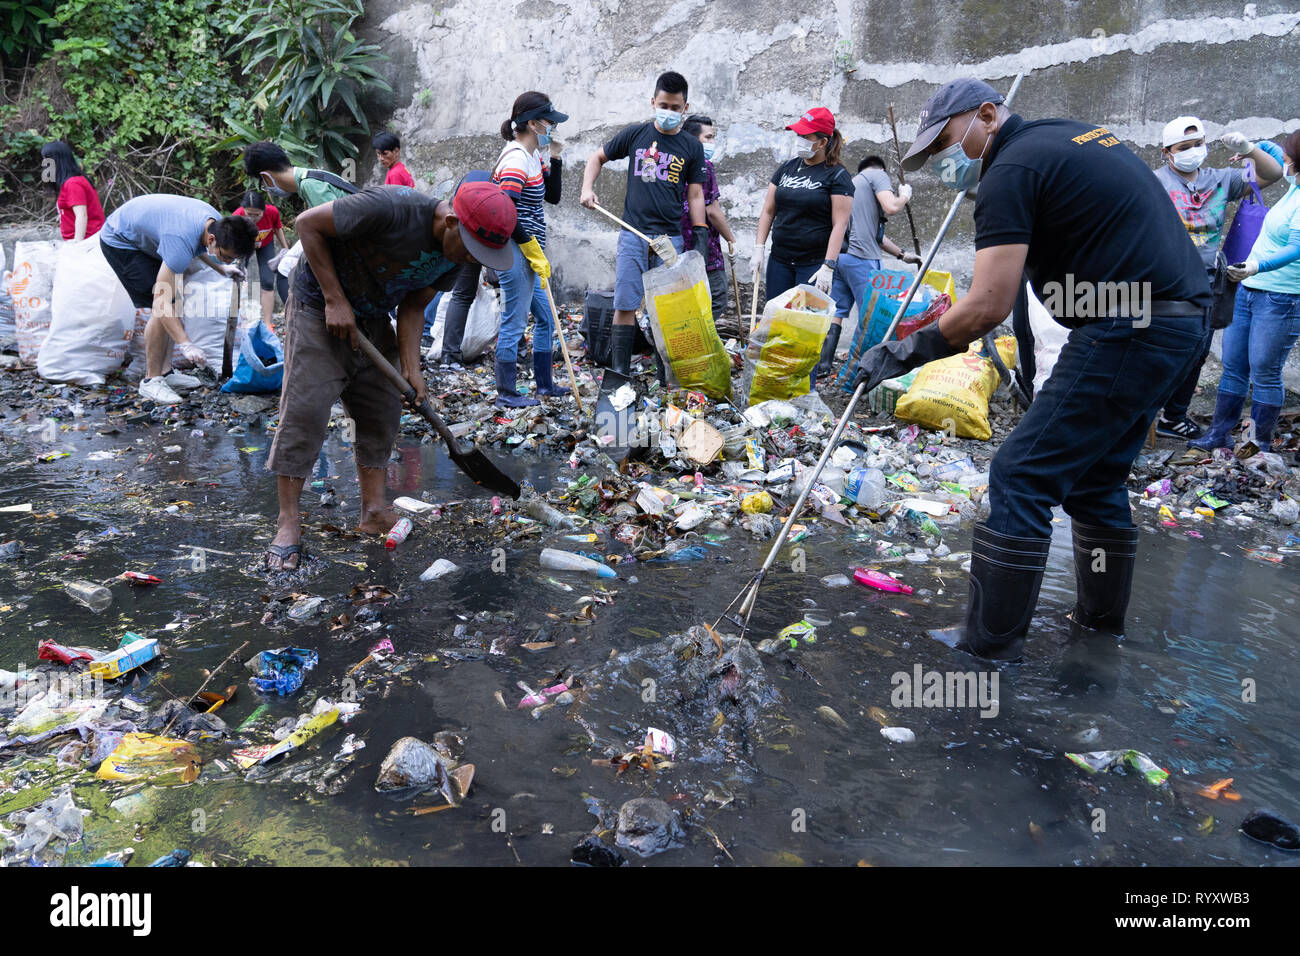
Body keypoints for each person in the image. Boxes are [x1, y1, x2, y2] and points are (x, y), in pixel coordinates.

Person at [852, 78, 1211, 660]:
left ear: (988, 116)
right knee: (1095, 481)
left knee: (1021, 477)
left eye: (948, 144)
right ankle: (1097, 633)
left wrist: (901, 352)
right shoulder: (1062, 139)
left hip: (1130, 328)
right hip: (1176, 321)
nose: (948, 162)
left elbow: (987, 304)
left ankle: (989, 648)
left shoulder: (1012, 168)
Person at [263, 181, 517, 570]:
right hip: (319, 303)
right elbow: (307, 224)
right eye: (469, 248)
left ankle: (373, 510)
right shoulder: (390, 208)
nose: (470, 259)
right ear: (450, 221)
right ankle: (289, 522)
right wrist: (334, 299)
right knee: (306, 409)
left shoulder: (457, 256)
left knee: (381, 406)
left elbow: (415, 306)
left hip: (373, 313)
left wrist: (412, 370)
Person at [1151, 116, 1283, 439]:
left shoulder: (1221, 179)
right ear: (1168, 153)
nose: (1194, 151)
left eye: (1198, 144)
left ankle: (1174, 418)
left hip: (1210, 282)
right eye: (1184, 147)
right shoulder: (1153, 181)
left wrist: (1248, 149)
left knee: (1197, 355)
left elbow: (1273, 174)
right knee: (1161, 353)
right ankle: (1142, 416)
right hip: (1167, 284)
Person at [580, 70, 708, 376]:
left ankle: (667, 374)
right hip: (632, 236)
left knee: (667, 309)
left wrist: (700, 232)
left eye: (675, 108)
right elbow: (596, 158)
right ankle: (620, 373)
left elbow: (695, 194)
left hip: (670, 240)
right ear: (653, 102)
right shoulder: (636, 134)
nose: (669, 112)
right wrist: (587, 188)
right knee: (625, 303)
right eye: (664, 105)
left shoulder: (692, 147)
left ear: (685, 108)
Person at [1191, 128, 1300, 457]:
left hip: (1281, 298)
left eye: (1289, 155)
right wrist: (1250, 148)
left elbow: (1297, 248)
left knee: (1265, 371)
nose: (1285, 159)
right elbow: (1273, 156)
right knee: (1234, 366)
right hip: (1249, 290)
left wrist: (1257, 267)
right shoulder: (1295, 185)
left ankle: (1259, 444)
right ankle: (1219, 435)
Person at [99, 195, 256, 404]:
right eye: (226, 256)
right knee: (163, 307)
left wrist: (221, 268)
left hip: (151, 233)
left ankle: (165, 373)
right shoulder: (180, 242)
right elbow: (160, 303)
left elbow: (197, 245)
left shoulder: (217, 224)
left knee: (173, 300)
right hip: (121, 240)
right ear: (213, 240)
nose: (228, 260)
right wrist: (186, 344)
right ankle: (151, 380)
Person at [488, 91, 569, 407]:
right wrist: (530, 248)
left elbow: (552, 197)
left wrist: (557, 158)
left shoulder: (532, 155)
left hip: (530, 250)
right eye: (549, 122)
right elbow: (505, 212)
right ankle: (506, 394)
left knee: (546, 318)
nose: (553, 127)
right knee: (515, 320)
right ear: (533, 124)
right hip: (515, 251)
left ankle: (545, 386)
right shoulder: (516, 160)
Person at [818, 155, 923, 379]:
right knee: (873, 317)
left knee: (837, 312)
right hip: (862, 259)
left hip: (840, 259)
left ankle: (823, 367)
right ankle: (861, 372)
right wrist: (903, 195)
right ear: (879, 170)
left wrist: (902, 255)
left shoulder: (850, 185)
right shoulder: (878, 174)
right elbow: (891, 206)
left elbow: (876, 236)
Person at [752, 107, 854, 317]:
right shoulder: (787, 168)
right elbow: (768, 211)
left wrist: (828, 266)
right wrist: (759, 248)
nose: (799, 139)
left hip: (812, 266)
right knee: (776, 320)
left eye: (805, 136)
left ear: (823, 142)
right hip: (780, 261)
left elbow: (840, 224)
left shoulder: (837, 176)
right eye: (798, 135)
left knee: (802, 325)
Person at [679, 114, 738, 335]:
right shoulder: (704, 166)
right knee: (716, 297)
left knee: (684, 302)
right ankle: (692, 341)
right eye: (709, 137)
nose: (712, 143)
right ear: (694, 140)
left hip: (677, 246)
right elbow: (712, 210)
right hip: (703, 247)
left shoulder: (673, 163)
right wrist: (731, 239)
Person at [243, 141, 358, 209]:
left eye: (263, 184)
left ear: (267, 176)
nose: (267, 188)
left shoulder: (309, 185)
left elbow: (339, 228)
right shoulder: (312, 176)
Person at [234, 189, 291, 321]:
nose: (252, 218)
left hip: (265, 244)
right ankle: (236, 319)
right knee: (237, 280)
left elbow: (277, 229)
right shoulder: (237, 216)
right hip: (244, 246)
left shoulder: (272, 212)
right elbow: (233, 239)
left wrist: (286, 249)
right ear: (243, 210)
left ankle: (267, 322)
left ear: (264, 210)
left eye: (257, 215)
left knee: (268, 282)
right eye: (249, 214)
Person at [40, 141, 104, 241]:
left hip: (87, 242)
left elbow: (81, 215)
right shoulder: (72, 181)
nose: (44, 165)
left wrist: (77, 245)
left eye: (46, 161)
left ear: (56, 161)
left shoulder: (73, 184)